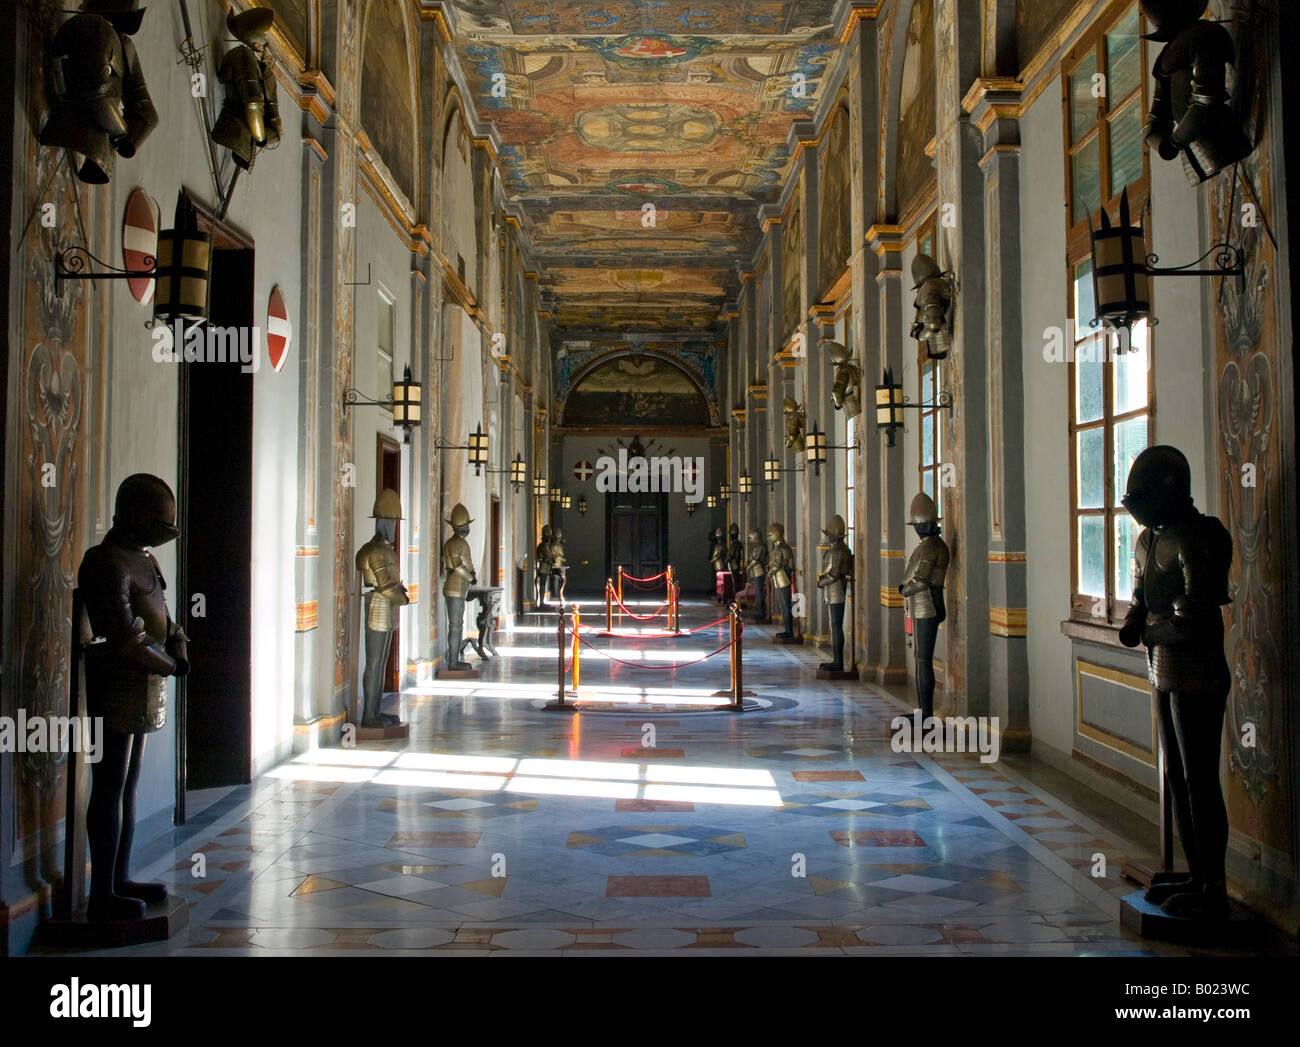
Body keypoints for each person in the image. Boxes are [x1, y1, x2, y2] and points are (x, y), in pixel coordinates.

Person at [1119, 445, 1233, 919]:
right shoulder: (1148, 540)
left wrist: (1147, 628)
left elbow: (1197, 618)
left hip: (1198, 668)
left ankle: (1215, 885)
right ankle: (1194, 874)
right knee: (1177, 778)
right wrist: (1135, 620)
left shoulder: (1199, 537)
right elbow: (1142, 596)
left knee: (1202, 778)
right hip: (1161, 667)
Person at [78, 474, 188, 921]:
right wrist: (172, 664)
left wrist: (178, 639)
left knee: (129, 783)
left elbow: (163, 615)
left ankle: (119, 877)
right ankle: (101, 890)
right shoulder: (105, 562)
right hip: (116, 681)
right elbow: (123, 637)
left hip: (146, 682)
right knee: (107, 786)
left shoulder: (143, 560)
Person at [355, 488, 408, 727]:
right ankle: (368, 715)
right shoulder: (377, 550)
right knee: (375, 662)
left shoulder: (383, 549)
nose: (394, 527)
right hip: (379, 605)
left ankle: (375, 711)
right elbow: (386, 586)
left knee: (382, 660)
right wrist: (404, 599)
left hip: (386, 608)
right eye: (393, 522)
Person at [899, 493, 948, 718]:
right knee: (921, 658)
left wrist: (903, 590)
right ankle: (923, 710)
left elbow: (921, 580)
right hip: (923, 604)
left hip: (926, 602)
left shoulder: (930, 548)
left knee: (923, 659)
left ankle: (926, 713)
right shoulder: (931, 545)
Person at [441, 504, 477, 671]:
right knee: (455, 625)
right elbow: (458, 566)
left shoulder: (451, 542)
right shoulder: (458, 544)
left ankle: (454, 659)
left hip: (454, 585)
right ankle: (453, 662)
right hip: (456, 585)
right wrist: (471, 577)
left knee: (457, 624)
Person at [817, 515, 852, 671]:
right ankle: (836, 659)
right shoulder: (841, 549)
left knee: (836, 625)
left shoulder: (837, 551)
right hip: (836, 586)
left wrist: (820, 582)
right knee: (835, 624)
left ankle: (838, 661)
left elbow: (834, 574)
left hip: (835, 586)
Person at [767, 522, 795, 637]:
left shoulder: (780, 548)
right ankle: (787, 629)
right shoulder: (781, 546)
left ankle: (789, 631)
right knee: (784, 604)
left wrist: (768, 574)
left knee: (785, 604)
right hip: (780, 576)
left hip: (782, 576)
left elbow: (777, 564)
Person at [746, 527, 769, 622]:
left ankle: (761, 613)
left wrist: (748, 566)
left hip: (759, 571)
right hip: (755, 571)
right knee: (758, 593)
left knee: (759, 594)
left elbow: (756, 560)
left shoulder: (761, 548)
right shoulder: (758, 547)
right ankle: (759, 611)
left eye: (751, 537)